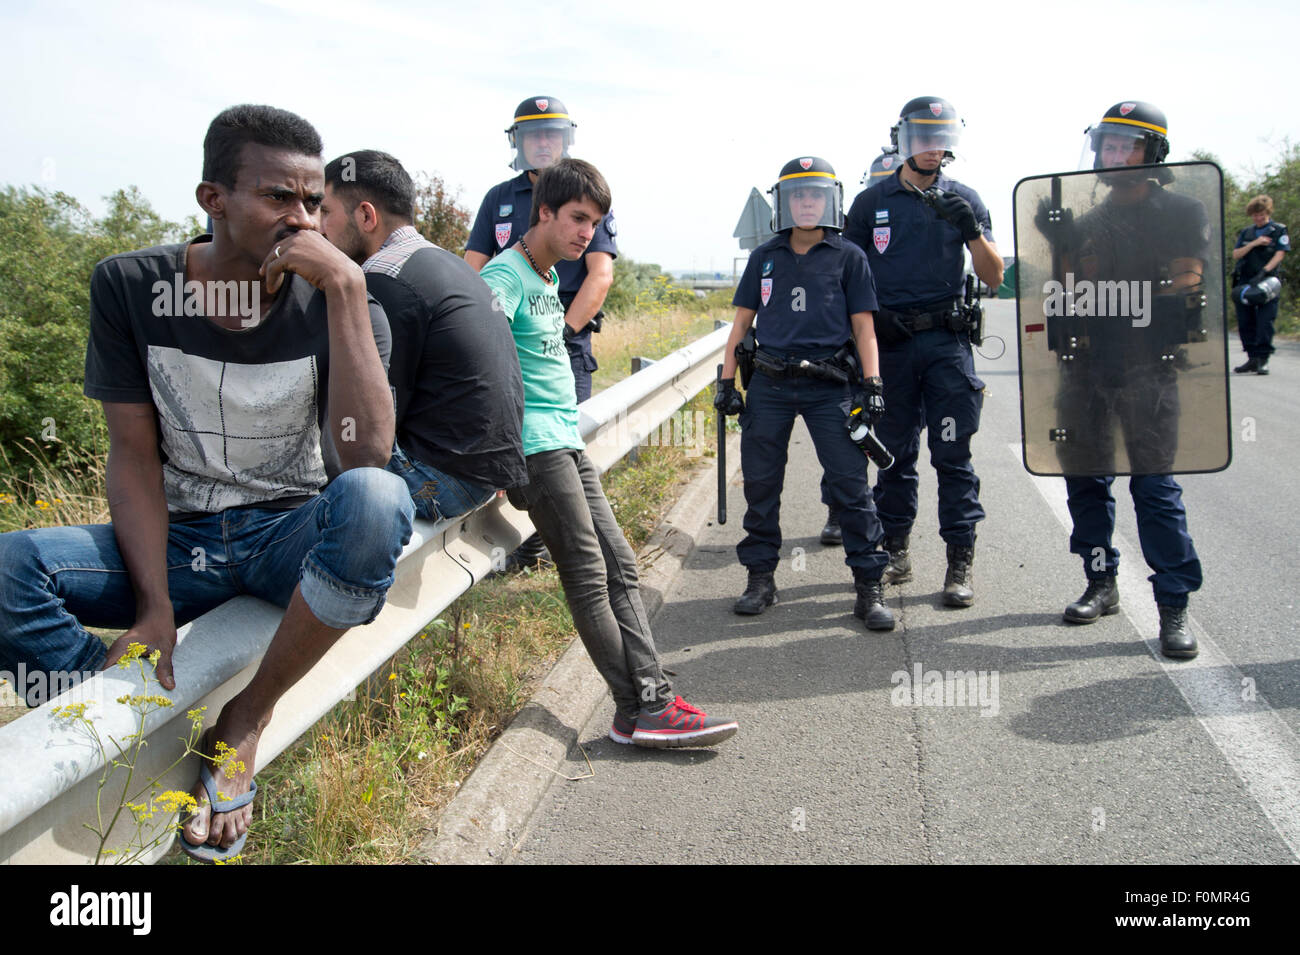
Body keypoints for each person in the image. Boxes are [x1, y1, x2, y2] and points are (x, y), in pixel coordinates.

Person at [0, 105, 415, 859]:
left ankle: (244, 722)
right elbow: (130, 454)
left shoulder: (346, 301)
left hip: (284, 538)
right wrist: (154, 603)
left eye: (312, 201)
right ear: (212, 199)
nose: (301, 219)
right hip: (180, 536)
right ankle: (123, 731)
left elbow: (366, 460)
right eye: (276, 197)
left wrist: (349, 294)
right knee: (6, 568)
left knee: (380, 502)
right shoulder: (130, 286)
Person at [480, 157, 738, 747]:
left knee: (621, 564)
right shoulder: (505, 278)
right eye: (576, 219)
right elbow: (476, 367)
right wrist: (492, 454)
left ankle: (650, 699)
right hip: (533, 450)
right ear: (543, 212)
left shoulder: (546, 279)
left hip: (564, 439)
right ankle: (643, 705)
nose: (585, 234)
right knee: (587, 574)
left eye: (594, 224)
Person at [1046, 101, 1205, 659]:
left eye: (1126, 145)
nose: (1114, 156)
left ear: (1153, 153)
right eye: (1108, 145)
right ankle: (1100, 581)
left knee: (1155, 488)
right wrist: (1058, 245)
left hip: (1149, 368)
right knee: (1086, 480)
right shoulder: (1087, 221)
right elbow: (1066, 296)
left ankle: (1174, 604)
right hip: (1086, 365)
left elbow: (1190, 286)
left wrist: (1142, 303)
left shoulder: (1181, 212)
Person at [717, 156, 894, 631]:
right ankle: (760, 580)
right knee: (760, 486)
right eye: (798, 195)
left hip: (830, 385)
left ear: (830, 200)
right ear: (784, 202)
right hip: (771, 384)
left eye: (815, 194)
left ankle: (868, 587)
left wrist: (872, 384)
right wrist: (726, 382)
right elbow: (741, 323)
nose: (807, 202)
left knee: (851, 487)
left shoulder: (849, 256)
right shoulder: (765, 257)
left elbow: (864, 328)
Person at [844, 97, 1003, 607]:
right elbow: (846, 276)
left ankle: (960, 563)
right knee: (893, 457)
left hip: (946, 343)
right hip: (890, 347)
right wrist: (867, 325)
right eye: (924, 137)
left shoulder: (966, 199)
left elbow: (994, 275)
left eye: (942, 137)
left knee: (953, 457)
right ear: (904, 140)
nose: (934, 148)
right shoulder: (871, 203)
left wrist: (971, 231)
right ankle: (896, 551)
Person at [320, 149, 527, 519]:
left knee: (294, 488)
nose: (318, 227)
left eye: (325, 212)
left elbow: (373, 423)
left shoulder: (382, 277)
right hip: (485, 475)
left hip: (438, 481)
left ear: (366, 216)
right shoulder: (445, 262)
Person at [466, 96, 618, 572]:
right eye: (534, 135)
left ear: (566, 139)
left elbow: (600, 275)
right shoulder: (499, 198)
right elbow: (473, 271)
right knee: (529, 457)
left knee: (559, 456)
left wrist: (564, 329)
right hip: (510, 335)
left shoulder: (586, 194)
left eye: (552, 134)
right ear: (518, 142)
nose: (543, 143)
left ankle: (542, 550)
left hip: (561, 338)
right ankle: (524, 551)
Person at [820, 146, 903, 546]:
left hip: (902, 339)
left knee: (893, 434)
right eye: (878, 183)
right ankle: (838, 509)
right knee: (844, 428)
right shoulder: (861, 220)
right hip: (857, 341)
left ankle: (881, 513)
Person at [1231, 194, 1288, 375]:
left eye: (1261, 214)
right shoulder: (1247, 233)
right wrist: (1255, 243)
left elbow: (1280, 254)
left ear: (1268, 212)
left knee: (1265, 322)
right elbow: (1236, 254)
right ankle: (1252, 358)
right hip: (1246, 281)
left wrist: (1264, 271)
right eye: (1255, 215)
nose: (1258, 218)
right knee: (1245, 321)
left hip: (1268, 282)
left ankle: (1263, 359)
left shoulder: (1278, 230)